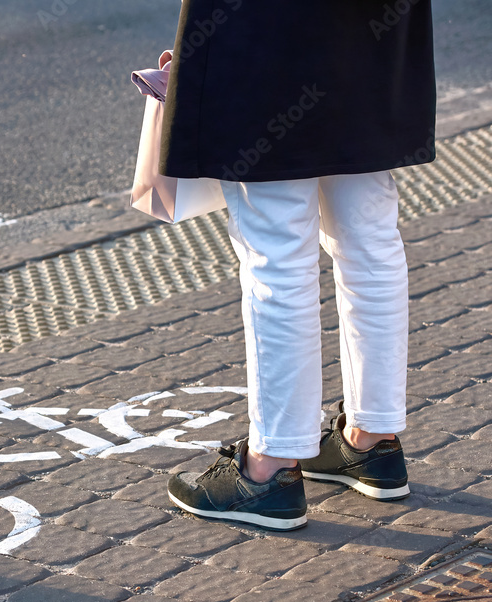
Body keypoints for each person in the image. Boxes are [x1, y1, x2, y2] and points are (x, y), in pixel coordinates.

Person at [161, 0, 435, 530]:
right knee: (369, 236)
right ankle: (371, 440)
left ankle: (269, 469)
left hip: (269, 29)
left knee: (277, 250)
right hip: (373, 25)